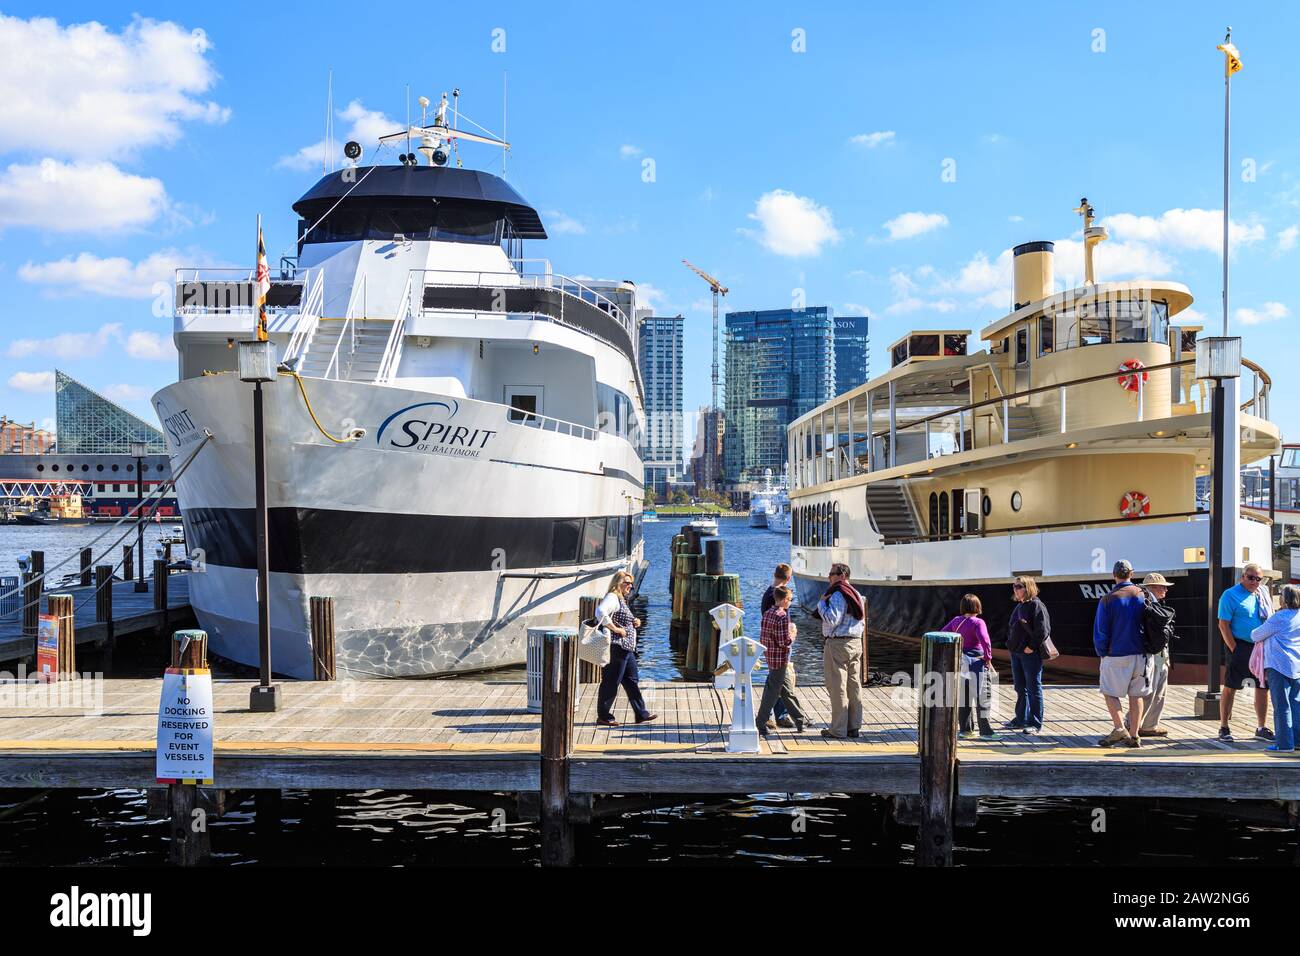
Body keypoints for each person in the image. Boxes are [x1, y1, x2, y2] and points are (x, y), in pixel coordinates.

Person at [1093, 560, 1151, 748]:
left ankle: (1119, 728)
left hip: (1116, 653)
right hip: (1141, 654)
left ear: (1114, 575)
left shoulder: (1108, 599)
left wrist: (1102, 652)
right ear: (1131, 574)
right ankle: (1134, 734)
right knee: (1137, 695)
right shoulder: (1143, 594)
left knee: (1109, 692)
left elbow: (1101, 630)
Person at [1216, 563, 1274, 743]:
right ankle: (1224, 727)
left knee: (1262, 686)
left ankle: (1261, 727)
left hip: (1261, 646)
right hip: (1240, 646)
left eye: (1258, 579)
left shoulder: (1262, 593)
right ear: (1242, 577)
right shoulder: (1230, 595)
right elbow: (1223, 625)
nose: (1255, 581)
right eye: (1251, 578)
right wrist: (1234, 649)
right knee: (1231, 686)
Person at [595, 571, 657, 727]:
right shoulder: (612, 597)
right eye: (626, 583)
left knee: (631, 680)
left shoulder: (622, 598)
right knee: (611, 681)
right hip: (617, 646)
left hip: (626, 648)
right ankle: (603, 716)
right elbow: (600, 612)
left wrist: (635, 621)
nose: (630, 586)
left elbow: (623, 618)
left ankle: (641, 714)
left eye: (631, 583)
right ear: (617, 583)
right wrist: (616, 629)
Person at [816, 562, 866, 739]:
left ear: (842, 576)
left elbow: (832, 619)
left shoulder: (838, 593)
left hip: (838, 644)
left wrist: (821, 604)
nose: (829, 577)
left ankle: (838, 729)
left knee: (837, 686)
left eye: (832, 574)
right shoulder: (856, 593)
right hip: (855, 642)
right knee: (854, 686)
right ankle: (854, 726)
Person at [1249, 584, 1300, 752]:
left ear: (1285, 599)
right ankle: (1297, 740)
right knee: (1296, 704)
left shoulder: (1279, 617)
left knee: (1281, 706)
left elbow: (1256, 635)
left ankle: (1284, 744)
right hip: (1297, 665)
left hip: (1279, 665)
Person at [1128, 572, 1176, 738]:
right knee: (1149, 690)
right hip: (1153, 654)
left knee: (1158, 690)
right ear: (1153, 588)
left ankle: (1149, 724)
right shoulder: (1148, 604)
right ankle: (1134, 723)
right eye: (1163, 587)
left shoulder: (1149, 603)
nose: (1165, 590)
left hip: (1159, 653)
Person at [755, 586, 808, 735]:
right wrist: (793, 635)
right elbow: (783, 641)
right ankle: (761, 722)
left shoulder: (768, 613)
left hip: (770, 656)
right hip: (780, 658)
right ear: (784, 600)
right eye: (790, 599)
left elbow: (764, 637)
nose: (790, 602)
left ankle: (800, 720)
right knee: (772, 693)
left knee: (787, 691)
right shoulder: (782, 616)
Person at [943, 594, 995, 738]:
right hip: (977, 663)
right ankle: (986, 731)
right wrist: (988, 658)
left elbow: (943, 633)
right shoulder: (978, 622)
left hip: (962, 662)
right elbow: (985, 641)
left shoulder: (956, 620)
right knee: (983, 696)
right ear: (977, 606)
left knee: (964, 697)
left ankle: (965, 730)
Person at [1005, 576, 1050, 734]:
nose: (1015, 589)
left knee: (1033, 688)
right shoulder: (1020, 606)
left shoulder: (1036, 605)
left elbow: (1043, 630)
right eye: (1014, 586)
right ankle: (1021, 718)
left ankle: (1035, 723)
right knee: (1020, 687)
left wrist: (1031, 647)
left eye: (1019, 586)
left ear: (1028, 588)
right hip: (1017, 653)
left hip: (1029, 654)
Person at [760, 563, 796, 729]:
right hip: (779, 647)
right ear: (788, 578)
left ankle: (779, 715)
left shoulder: (769, 593)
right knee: (776, 681)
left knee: (778, 681)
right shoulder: (776, 596)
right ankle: (771, 716)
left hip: (773, 645)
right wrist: (791, 633)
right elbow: (776, 622)